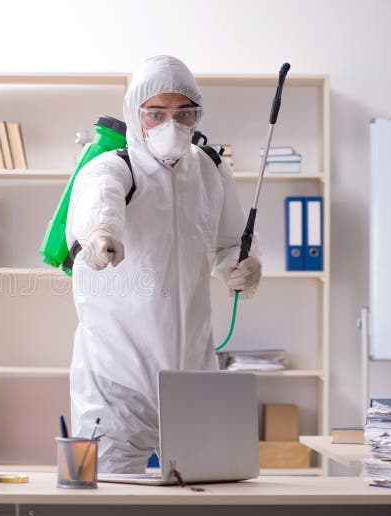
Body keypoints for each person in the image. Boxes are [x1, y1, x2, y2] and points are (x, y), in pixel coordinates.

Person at [66, 55, 262, 474]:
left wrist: (241, 267)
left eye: (183, 113)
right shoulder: (112, 167)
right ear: (135, 114)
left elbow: (230, 242)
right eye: (156, 113)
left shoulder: (211, 171)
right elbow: (101, 203)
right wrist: (101, 234)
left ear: (197, 115)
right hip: (118, 377)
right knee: (109, 500)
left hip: (191, 376)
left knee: (200, 490)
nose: (170, 124)